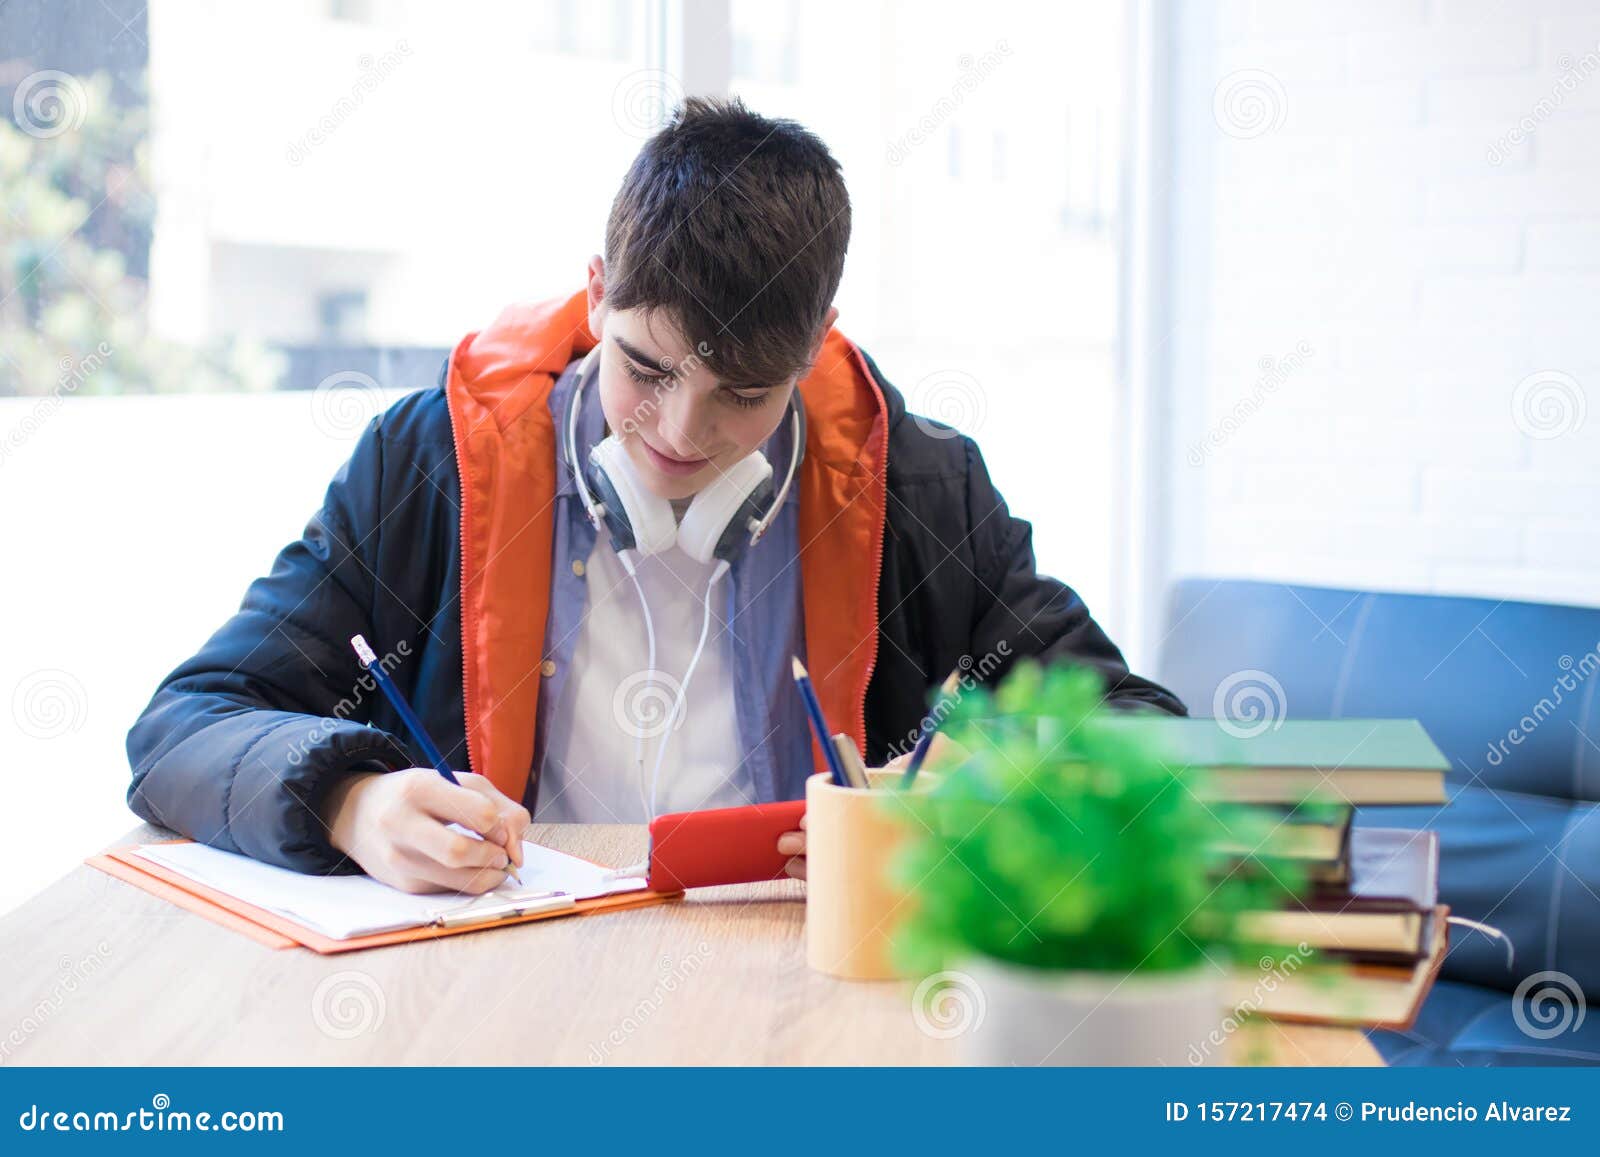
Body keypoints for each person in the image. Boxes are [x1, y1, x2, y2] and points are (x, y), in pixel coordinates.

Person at [126, 97, 1183, 896]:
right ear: (596, 292)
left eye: (745, 394)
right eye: (645, 368)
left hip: (806, 986)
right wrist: (348, 798)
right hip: (497, 988)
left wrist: (1011, 765)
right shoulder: (428, 462)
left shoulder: (919, 486)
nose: (680, 435)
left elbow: (1148, 731)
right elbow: (183, 724)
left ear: (816, 347)